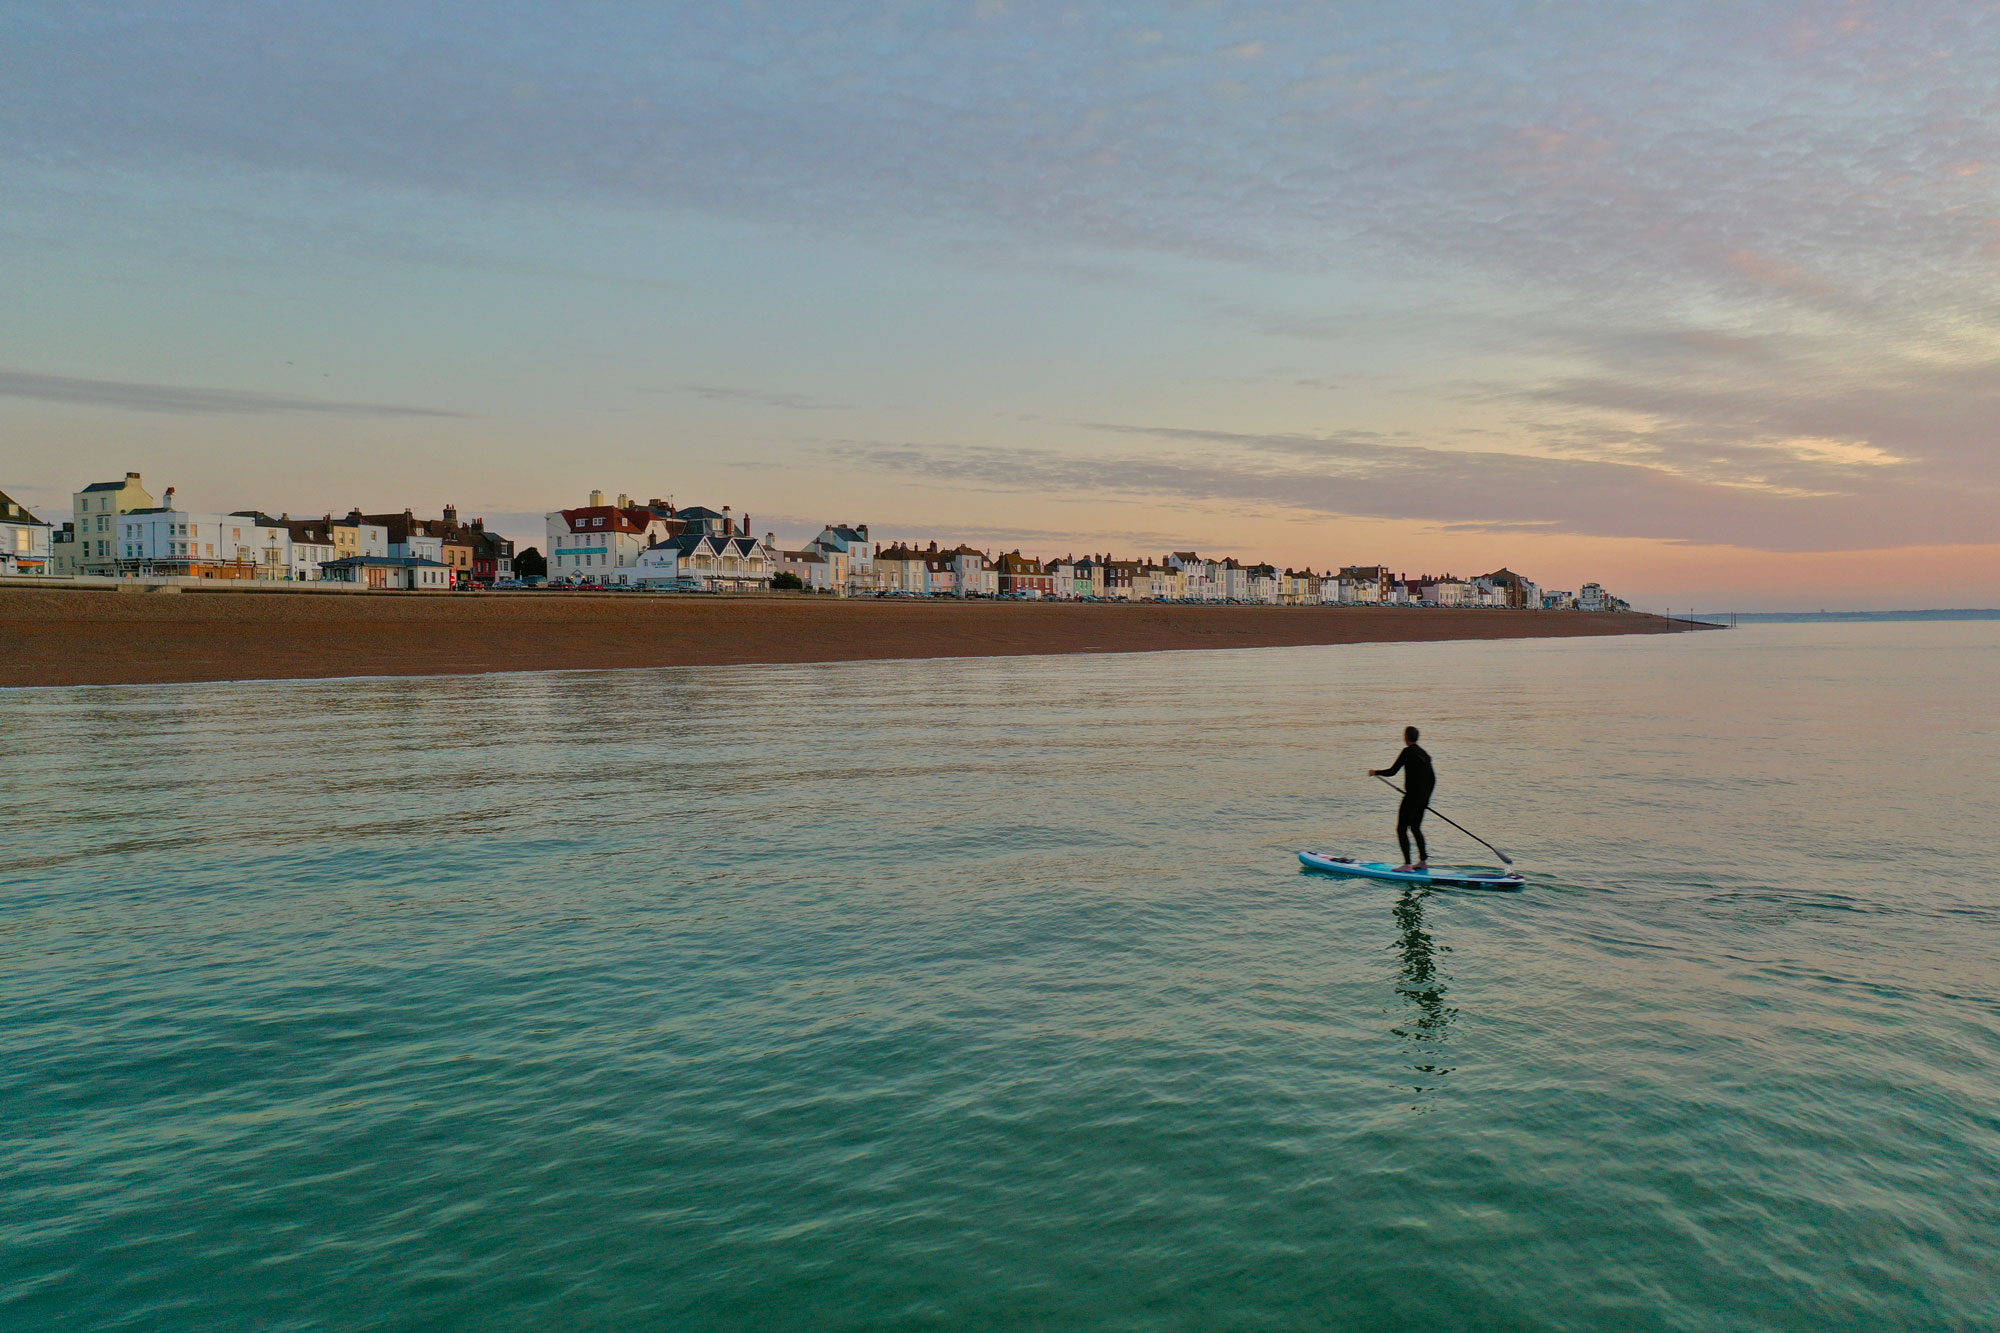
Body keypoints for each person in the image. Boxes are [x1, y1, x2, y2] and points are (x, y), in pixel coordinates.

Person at [1369, 726, 1435, 872]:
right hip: (1423, 799)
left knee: (1401, 829)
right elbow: (1433, 780)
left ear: (1406, 737)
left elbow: (1392, 771)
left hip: (1411, 797)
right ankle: (1423, 861)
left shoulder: (1407, 752)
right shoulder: (1425, 755)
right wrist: (1426, 799)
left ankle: (1407, 865)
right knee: (1416, 827)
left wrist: (1375, 772)